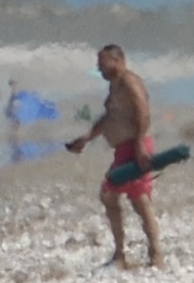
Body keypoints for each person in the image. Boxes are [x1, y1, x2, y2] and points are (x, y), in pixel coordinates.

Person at [69, 43, 163, 267]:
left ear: (117, 60)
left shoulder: (130, 81)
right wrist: (87, 137)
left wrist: (140, 144)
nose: (99, 68)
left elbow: (143, 111)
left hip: (135, 147)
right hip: (124, 149)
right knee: (112, 196)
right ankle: (122, 253)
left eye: (102, 63)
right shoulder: (115, 86)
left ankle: (153, 255)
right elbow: (109, 117)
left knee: (137, 200)